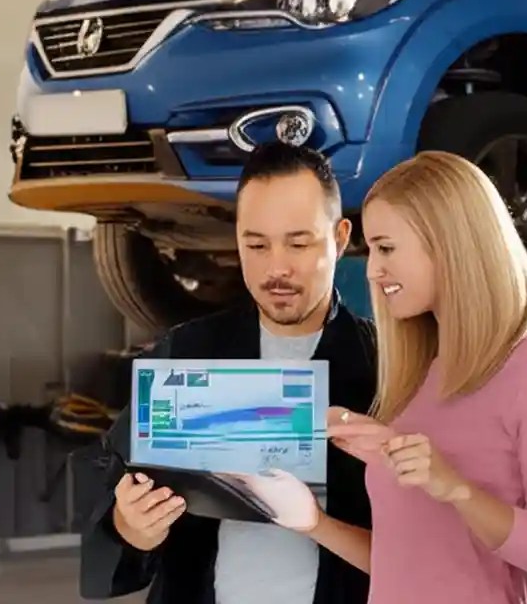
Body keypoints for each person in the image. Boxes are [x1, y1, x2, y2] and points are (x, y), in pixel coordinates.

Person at [232, 150, 527, 603]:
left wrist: (456, 488)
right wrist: (314, 522)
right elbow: (407, 563)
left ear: (450, 243)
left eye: (386, 248)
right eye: (371, 250)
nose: (371, 270)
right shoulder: (417, 373)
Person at [74, 142, 378, 604]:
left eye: (299, 243)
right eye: (256, 244)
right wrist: (131, 524)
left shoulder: (385, 366)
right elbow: (111, 485)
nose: (276, 267)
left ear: (339, 238)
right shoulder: (187, 356)